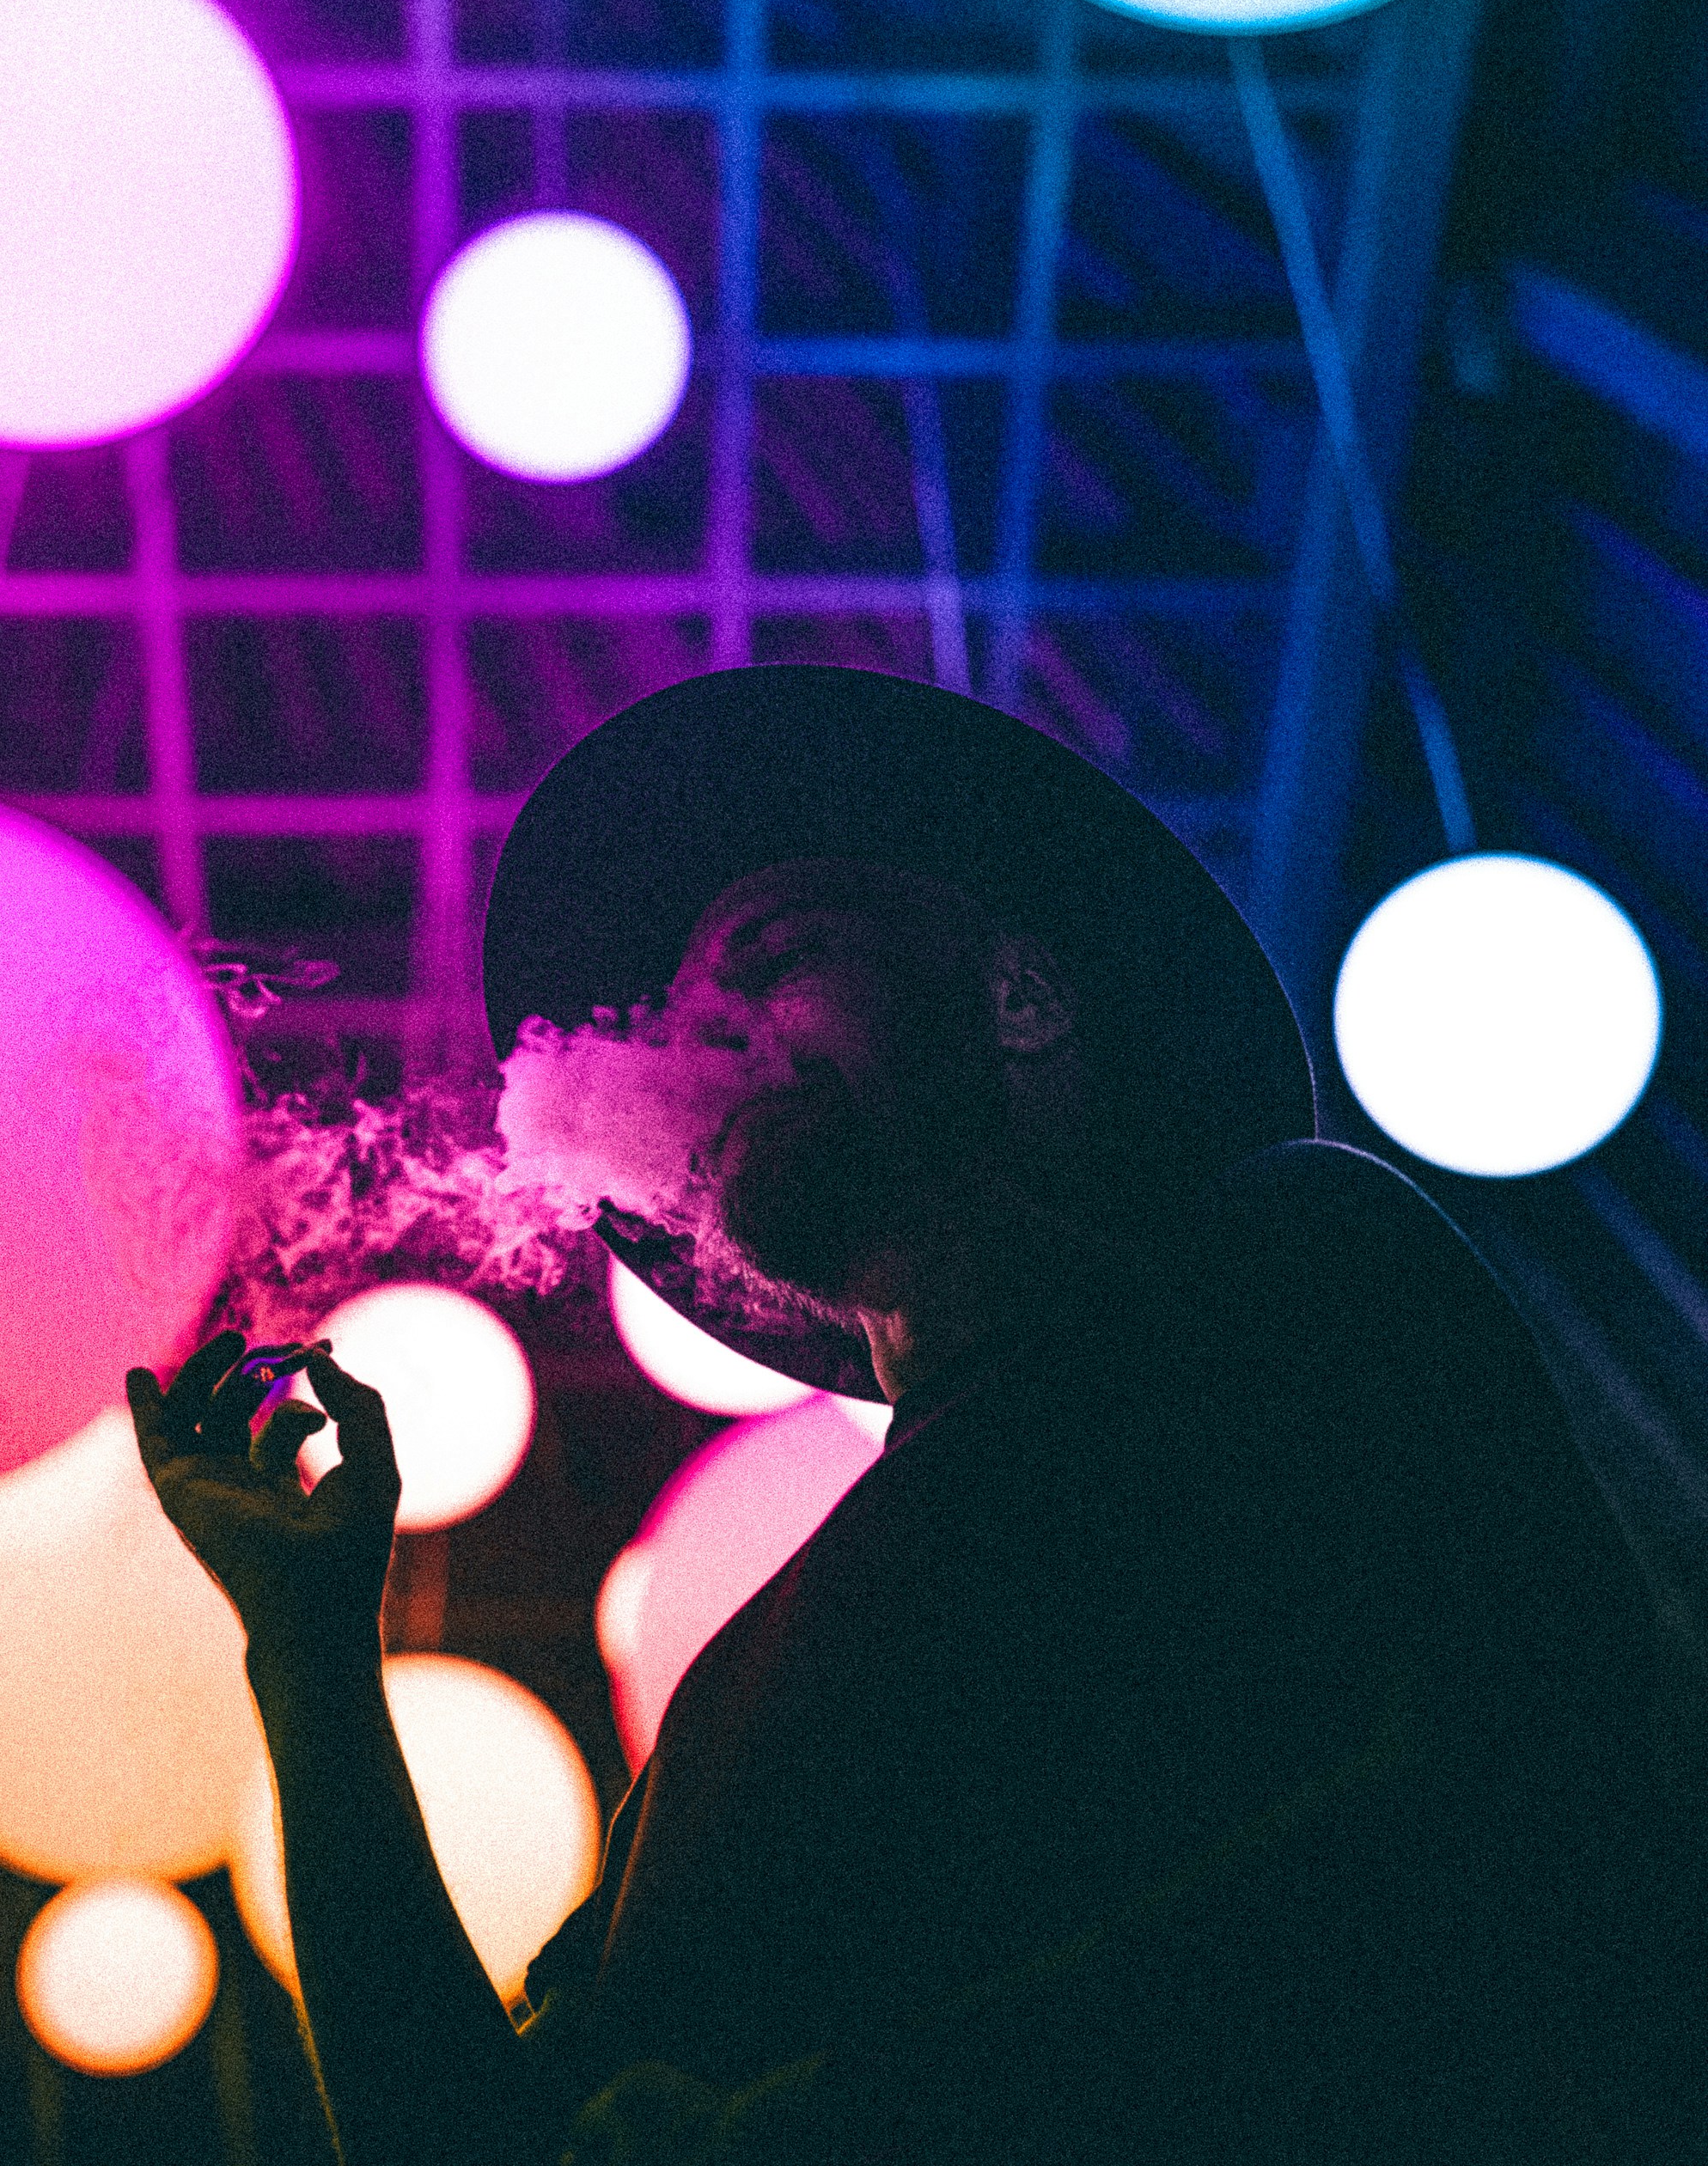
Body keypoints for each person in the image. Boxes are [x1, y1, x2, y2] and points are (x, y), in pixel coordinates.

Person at [131, 668, 1708, 2166]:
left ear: (1019, 995)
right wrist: (307, 1650)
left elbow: (1522, 1795)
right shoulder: (740, 1679)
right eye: (678, 1014)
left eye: (773, 957)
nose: (697, 1034)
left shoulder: (1287, 1265)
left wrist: (828, 2127)